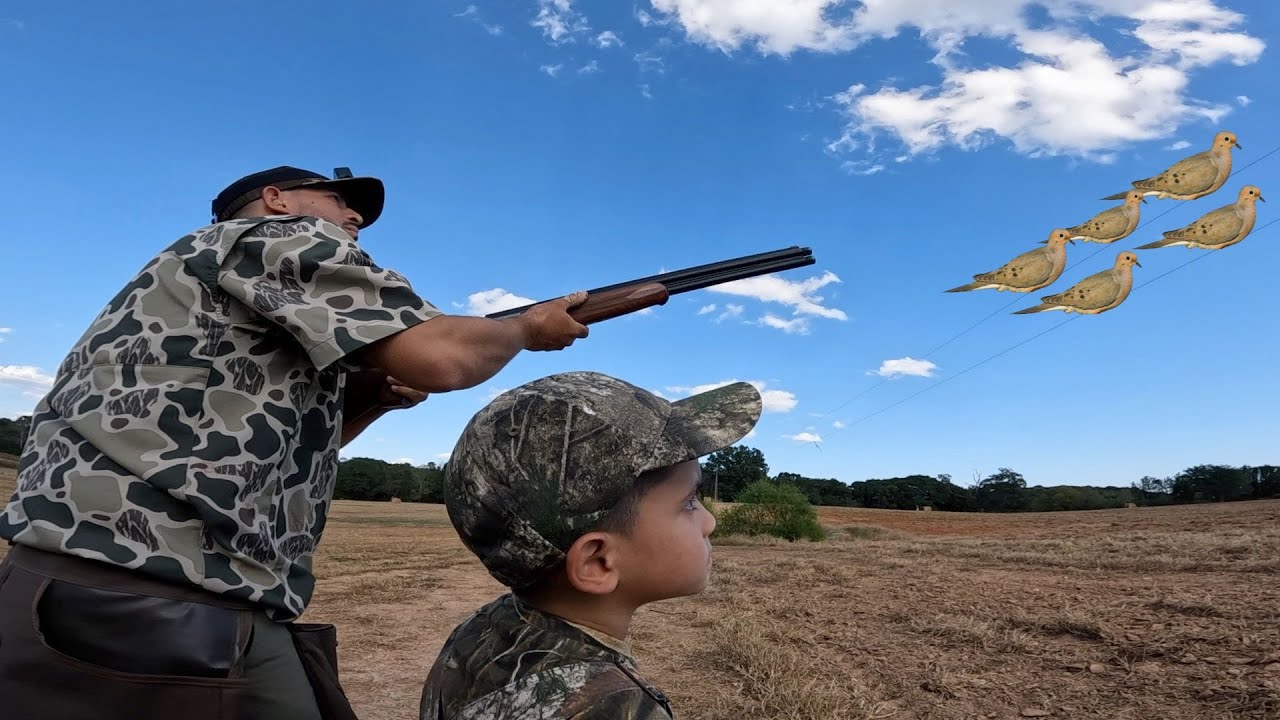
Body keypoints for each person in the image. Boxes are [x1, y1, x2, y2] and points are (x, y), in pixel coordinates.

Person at [0, 165, 591, 720]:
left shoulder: (206, 282)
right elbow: (445, 356)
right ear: (277, 201)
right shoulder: (274, 237)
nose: (355, 217)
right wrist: (525, 327)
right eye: (340, 201)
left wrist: (372, 399)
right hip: (170, 603)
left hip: (59, 586)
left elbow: (275, 451)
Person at [419, 370, 762, 719]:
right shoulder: (614, 707)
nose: (710, 522)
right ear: (598, 562)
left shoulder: (484, 629)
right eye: (689, 502)